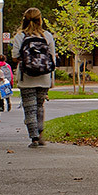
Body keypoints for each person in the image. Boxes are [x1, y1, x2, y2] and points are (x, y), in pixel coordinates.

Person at [14, 8, 57, 147]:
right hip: (44, 77)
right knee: (39, 106)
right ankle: (40, 132)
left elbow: (15, 56)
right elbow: (52, 59)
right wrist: (51, 80)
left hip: (26, 77)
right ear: (40, 19)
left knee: (29, 108)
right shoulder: (47, 36)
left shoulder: (20, 36)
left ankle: (34, 137)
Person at [0, 54, 14, 120]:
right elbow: (11, 74)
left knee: (0, 94)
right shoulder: (7, 65)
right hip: (6, 81)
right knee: (6, 93)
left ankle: (1, 106)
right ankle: (8, 103)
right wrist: (11, 82)